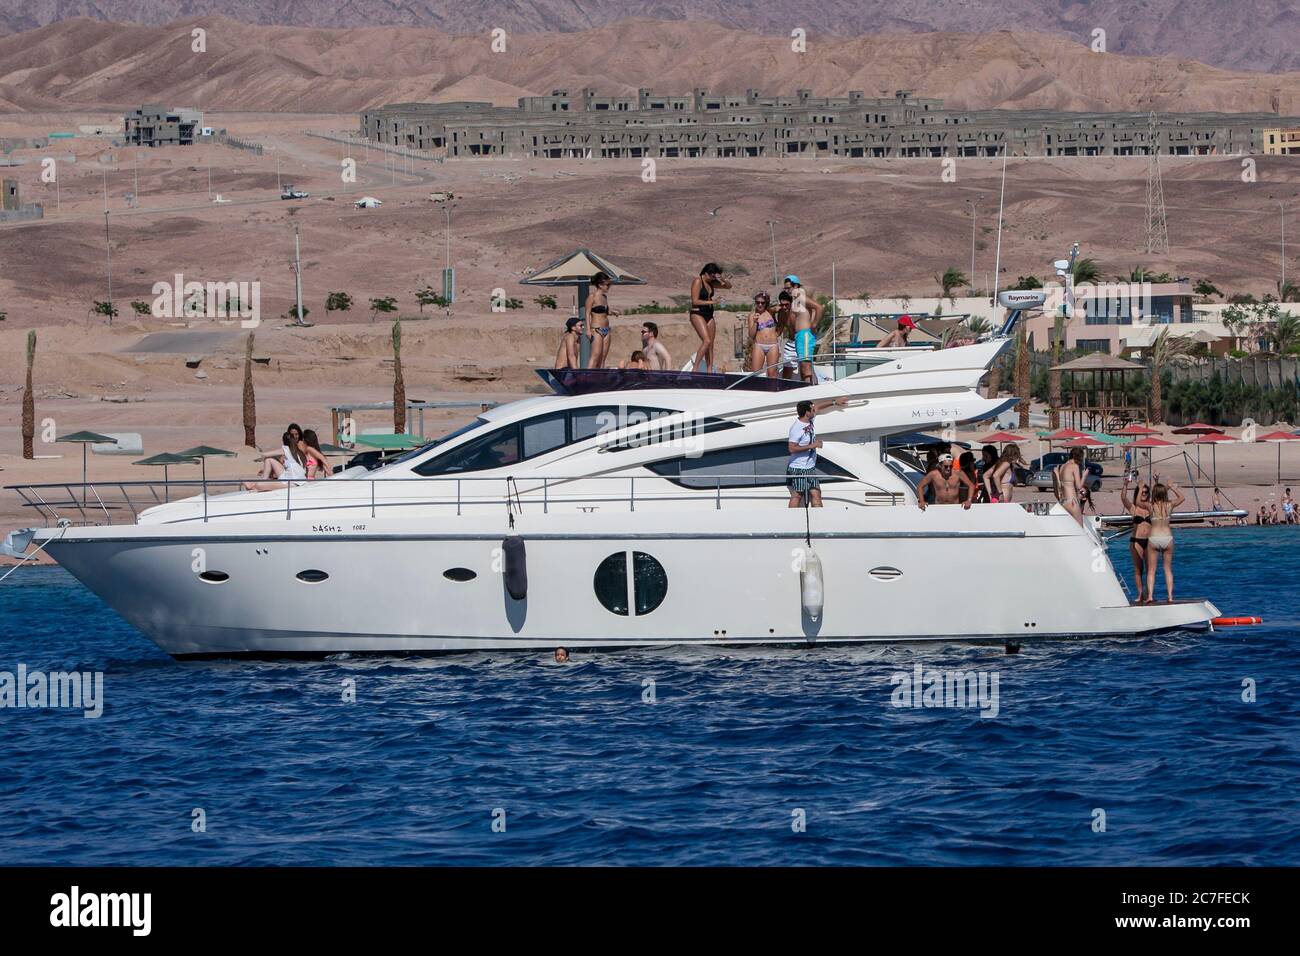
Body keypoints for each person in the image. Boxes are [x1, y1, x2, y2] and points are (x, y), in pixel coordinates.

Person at [787, 397, 849, 508]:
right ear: (807, 412)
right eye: (812, 409)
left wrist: (834, 402)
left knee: (816, 494)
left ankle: (819, 521)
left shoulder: (809, 420)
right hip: (799, 468)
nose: (814, 410)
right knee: (797, 495)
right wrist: (813, 445)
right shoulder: (796, 428)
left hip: (809, 467)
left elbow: (818, 406)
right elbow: (791, 448)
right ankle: (793, 520)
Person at [1144, 481, 1186, 603]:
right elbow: (1182, 498)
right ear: (1164, 493)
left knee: (1151, 570)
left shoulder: (1150, 506)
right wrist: (1172, 488)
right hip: (1167, 538)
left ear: (1154, 493)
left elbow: (1137, 502)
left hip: (1154, 538)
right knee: (1167, 569)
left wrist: (1142, 487)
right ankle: (1170, 596)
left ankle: (1150, 596)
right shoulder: (1170, 505)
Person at [688, 263, 732, 372]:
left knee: (711, 344)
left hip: (709, 314)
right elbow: (695, 300)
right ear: (706, 273)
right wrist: (713, 301)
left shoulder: (711, 283)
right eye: (712, 276)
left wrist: (721, 278)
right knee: (706, 341)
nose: (713, 278)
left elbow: (728, 286)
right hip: (697, 313)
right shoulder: (698, 281)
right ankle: (695, 368)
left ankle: (709, 370)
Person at [783, 275, 823, 384]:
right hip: (799, 336)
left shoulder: (799, 295)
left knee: (805, 367)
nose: (787, 290)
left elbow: (818, 307)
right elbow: (813, 310)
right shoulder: (796, 299)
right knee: (802, 366)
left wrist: (814, 324)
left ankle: (808, 393)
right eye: (785, 289)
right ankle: (804, 390)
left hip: (804, 334)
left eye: (788, 288)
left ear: (795, 286)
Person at [1121, 477, 1152, 603]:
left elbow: (1160, 498)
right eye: (1142, 492)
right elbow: (1123, 498)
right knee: (1138, 569)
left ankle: (1148, 594)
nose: (1144, 494)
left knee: (1150, 569)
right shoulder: (1134, 508)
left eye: (1146, 492)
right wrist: (1125, 485)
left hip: (1149, 541)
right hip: (1136, 541)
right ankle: (1140, 594)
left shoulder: (1151, 507)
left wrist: (1156, 480)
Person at [587, 271, 619, 369]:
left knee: (603, 357)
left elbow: (605, 312)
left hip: (606, 329)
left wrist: (612, 312)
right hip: (596, 329)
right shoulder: (592, 297)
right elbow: (587, 313)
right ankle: (587, 378)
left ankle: (599, 379)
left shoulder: (604, 297)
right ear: (600, 285)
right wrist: (588, 330)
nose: (609, 287)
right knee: (595, 356)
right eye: (607, 285)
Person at [747, 291, 781, 376]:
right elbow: (751, 335)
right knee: (756, 373)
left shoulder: (771, 312)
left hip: (772, 345)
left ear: (766, 303)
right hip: (759, 345)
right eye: (758, 302)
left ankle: (772, 389)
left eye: (762, 302)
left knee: (772, 373)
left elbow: (781, 307)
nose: (760, 305)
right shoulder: (752, 315)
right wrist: (755, 322)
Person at [1054, 446, 1086, 524]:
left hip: (1063, 502)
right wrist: (1084, 475)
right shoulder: (1074, 466)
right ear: (1079, 457)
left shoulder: (1061, 467)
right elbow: (1078, 486)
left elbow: (1059, 486)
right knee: (1080, 530)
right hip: (1072, 502)